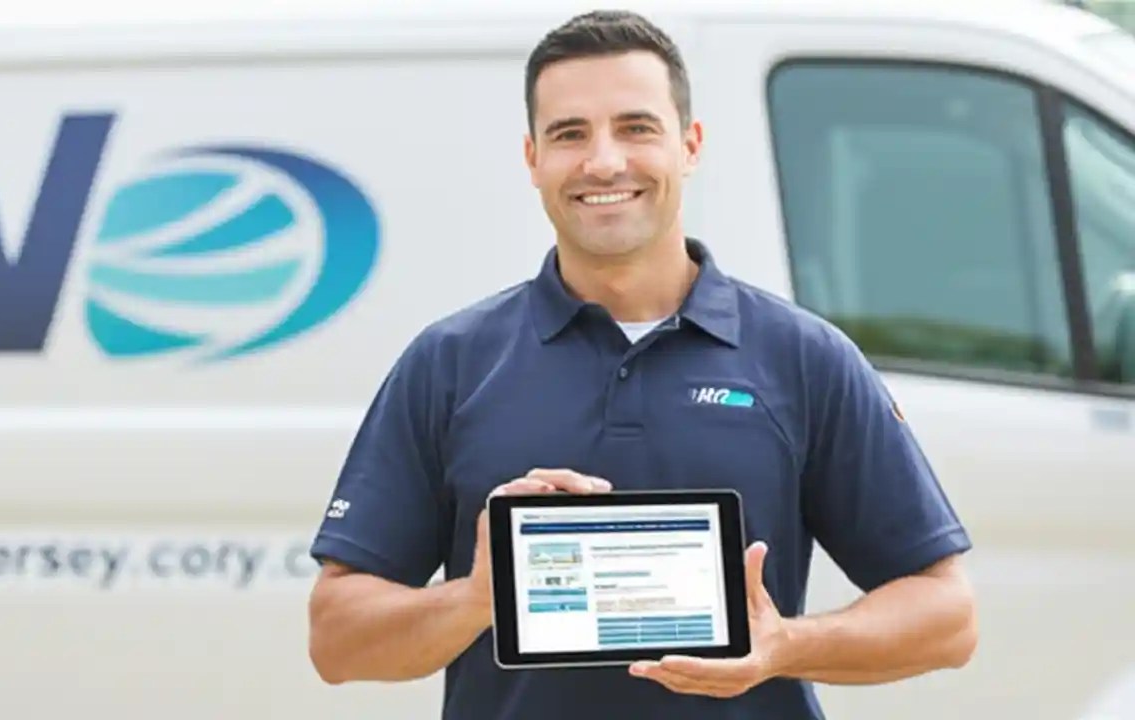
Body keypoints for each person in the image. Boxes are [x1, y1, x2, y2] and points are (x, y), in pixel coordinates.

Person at [306, 9, 977, 719]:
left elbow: (947, 616)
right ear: (532, 158)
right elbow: (336, 640)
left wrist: (785, 645)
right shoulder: (450, 364)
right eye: (570, 134)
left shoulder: (803, 359)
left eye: (636, 127)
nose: (603, 161)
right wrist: (477, 594)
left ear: (689, 145)